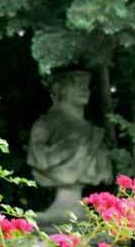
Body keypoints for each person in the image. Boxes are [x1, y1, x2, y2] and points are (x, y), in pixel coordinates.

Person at [27, 71, 112, 223]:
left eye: (86, 86)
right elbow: (39, 157)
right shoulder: (46, 125)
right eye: (77, 85)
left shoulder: (94, 133)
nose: (84, 90)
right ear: (60, 90)